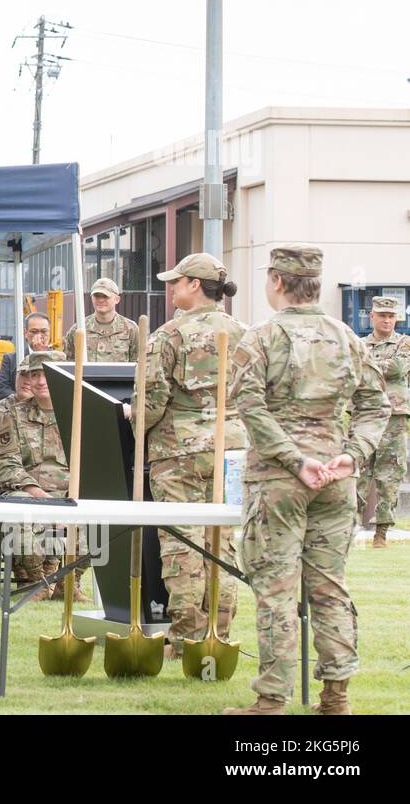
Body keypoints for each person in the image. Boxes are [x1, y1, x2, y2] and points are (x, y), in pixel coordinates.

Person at [225, 245, 388, 716]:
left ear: (277, 281)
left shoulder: (262, 337)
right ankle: (336, 699)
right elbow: (377, 406)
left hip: (280, 478)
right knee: (330, 587)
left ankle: (271, 700)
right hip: (333, 477)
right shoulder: (347, 338)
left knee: (277, 589)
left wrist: (295, 460)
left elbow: (250, 406)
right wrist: (351, 457)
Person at [139, 252, 245, 660]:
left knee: (183, 543)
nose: (171, 289)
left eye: (176, 282)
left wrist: (134, 427)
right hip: (231, 449)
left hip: (179, 451)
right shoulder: (244, 332)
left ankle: (185, 640)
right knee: (223, 540)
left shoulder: (169, 334)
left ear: (195, 285)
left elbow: (152, 397)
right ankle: (219, 634)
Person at [0, 350, 89, 602]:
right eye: (34, 375)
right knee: (17, 518)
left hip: (70, 494)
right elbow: (5, 464)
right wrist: (39, 495)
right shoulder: (13, 415)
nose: (40, 380)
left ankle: (69, 582)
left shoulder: (79, 414)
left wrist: (67, 501)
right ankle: (37, 582)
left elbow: (92, 463)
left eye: (47, 374)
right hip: (28, 493)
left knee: (96, 521)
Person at [357, 295, 409, 548]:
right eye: (382, 315)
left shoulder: (404, 343)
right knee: (357, 472)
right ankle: (348, 526)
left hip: (393, 416)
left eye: (391, 316)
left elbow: (397, 368)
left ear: (396, 318)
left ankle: (381, 532)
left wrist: (366, 364)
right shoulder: (360, 343)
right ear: (372, 317)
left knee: (389, 475)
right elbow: (350, 369)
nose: (387, 320)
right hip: (363, 415)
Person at [64, 277, 140, 363]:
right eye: (97, 296)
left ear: (117, 299)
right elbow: (68, 364)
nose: (100, 300)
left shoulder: (131, 329)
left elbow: (138, 365)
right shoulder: (78, 329)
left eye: (105, 296)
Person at [0, 312, 51, 401]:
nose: (39, 336)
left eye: (44, 331)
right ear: (25, 333)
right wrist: (25, 399)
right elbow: (0, 389)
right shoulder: (11, 359)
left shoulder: (59, 360)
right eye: (34, 331)